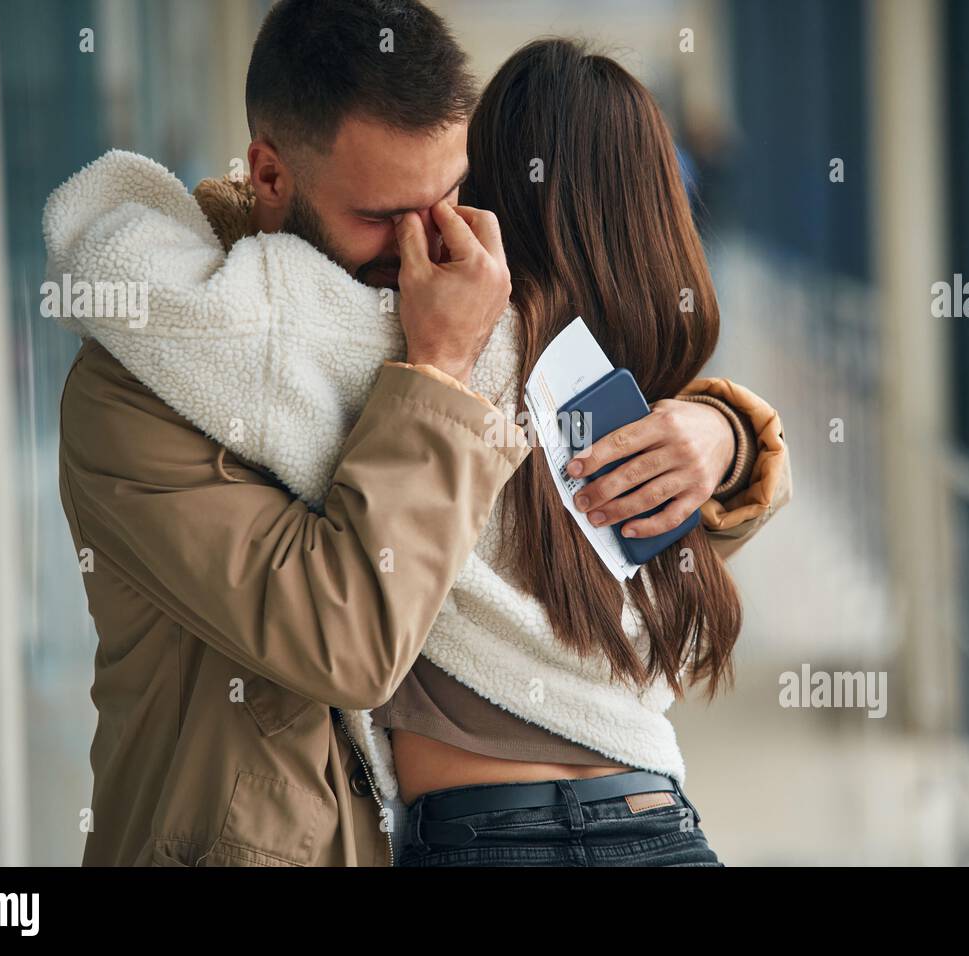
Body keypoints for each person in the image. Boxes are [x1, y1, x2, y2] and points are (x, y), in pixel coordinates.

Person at [50, 0, 778, 867]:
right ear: (271, 178)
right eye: (384, 211)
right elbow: (347, 639)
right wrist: (435, 372)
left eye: (451, 195)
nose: (428, 240)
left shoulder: (437, 313)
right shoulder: (147, 375)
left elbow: (585, 493)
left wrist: (725, 434)